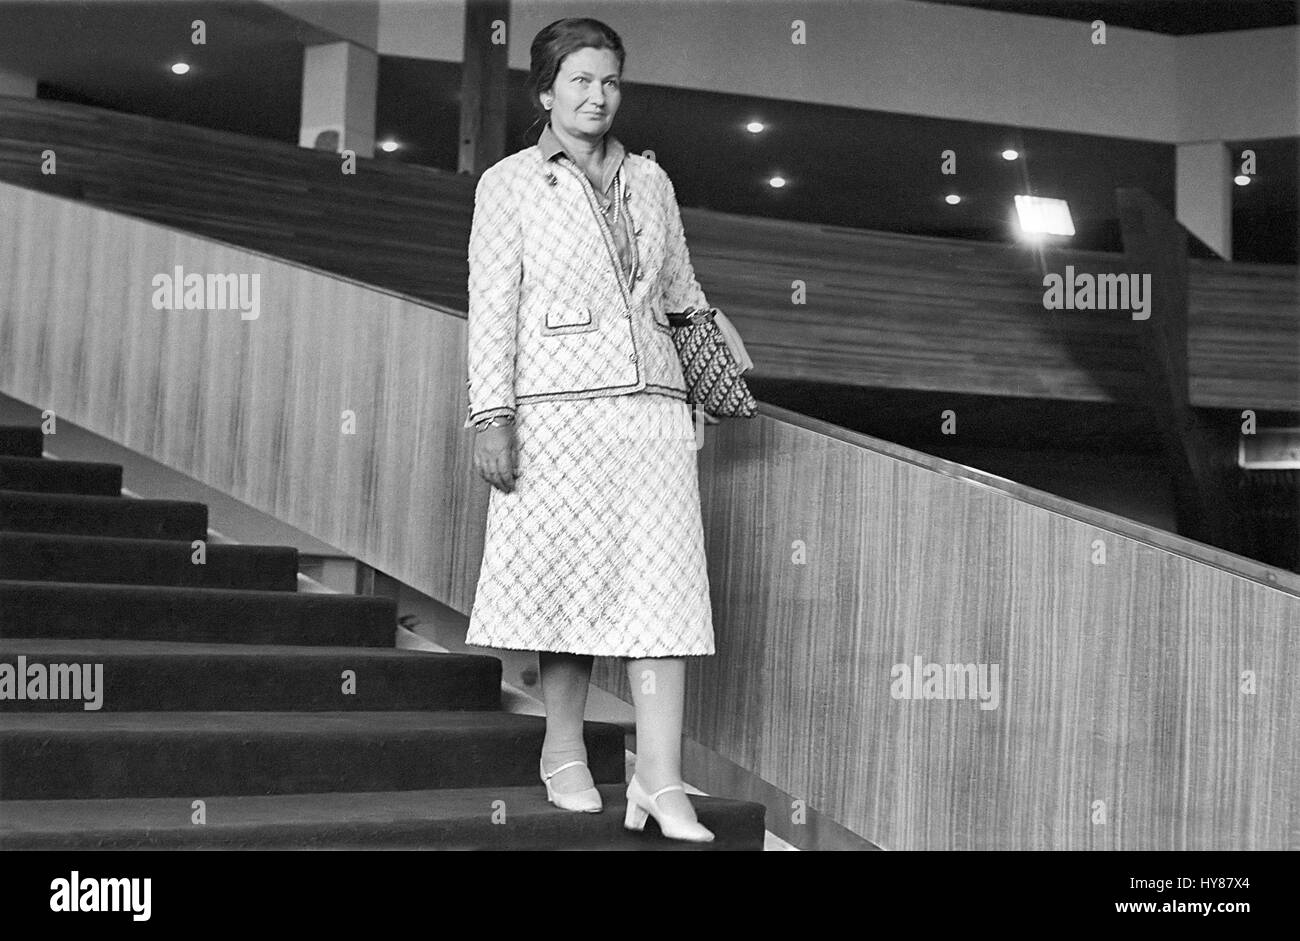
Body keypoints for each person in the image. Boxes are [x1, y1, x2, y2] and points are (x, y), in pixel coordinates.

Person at [462, 17, 750, 843]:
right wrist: (493, 415)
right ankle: (564, 751)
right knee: (566, 587)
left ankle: (657, 778)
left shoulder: (652, 181)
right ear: (546, 90)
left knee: (662, 594)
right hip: (555, 412)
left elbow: (682, 288)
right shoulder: (509, 184)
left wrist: (713, 372)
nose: (597, 95)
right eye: (580, 80)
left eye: (610, 81)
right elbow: (494, 308)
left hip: (655, 410)